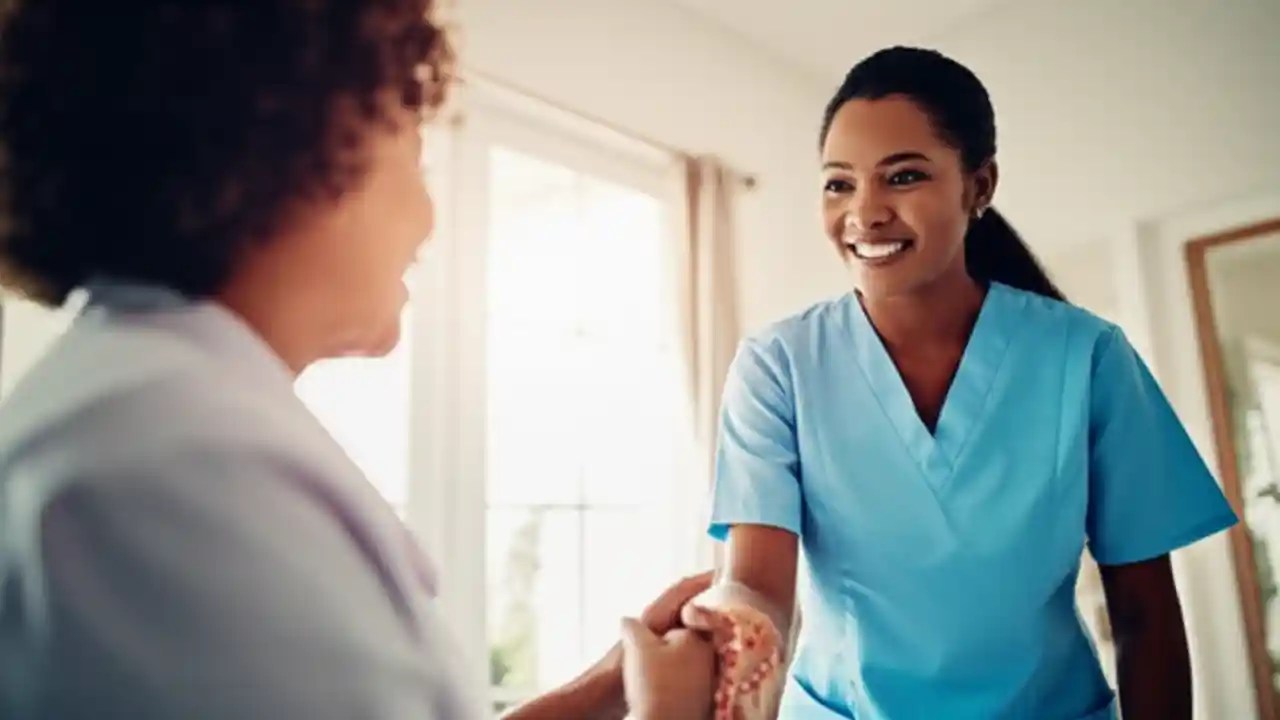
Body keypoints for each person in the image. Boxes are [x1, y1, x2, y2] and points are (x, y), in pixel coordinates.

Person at [0, 2, 714, 718]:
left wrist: (604, 691)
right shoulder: (165, 470)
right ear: (299, 141)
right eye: (413, 151)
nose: (428, 215)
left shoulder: (146, 412)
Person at [698, 46, 1238, 720]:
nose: (864, 213)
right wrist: (728, 619)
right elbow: (758, 582)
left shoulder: (1087, 357)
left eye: (903, 176)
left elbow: (1145, 612)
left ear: (977, 187)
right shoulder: (777, 366)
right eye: (839, 183)